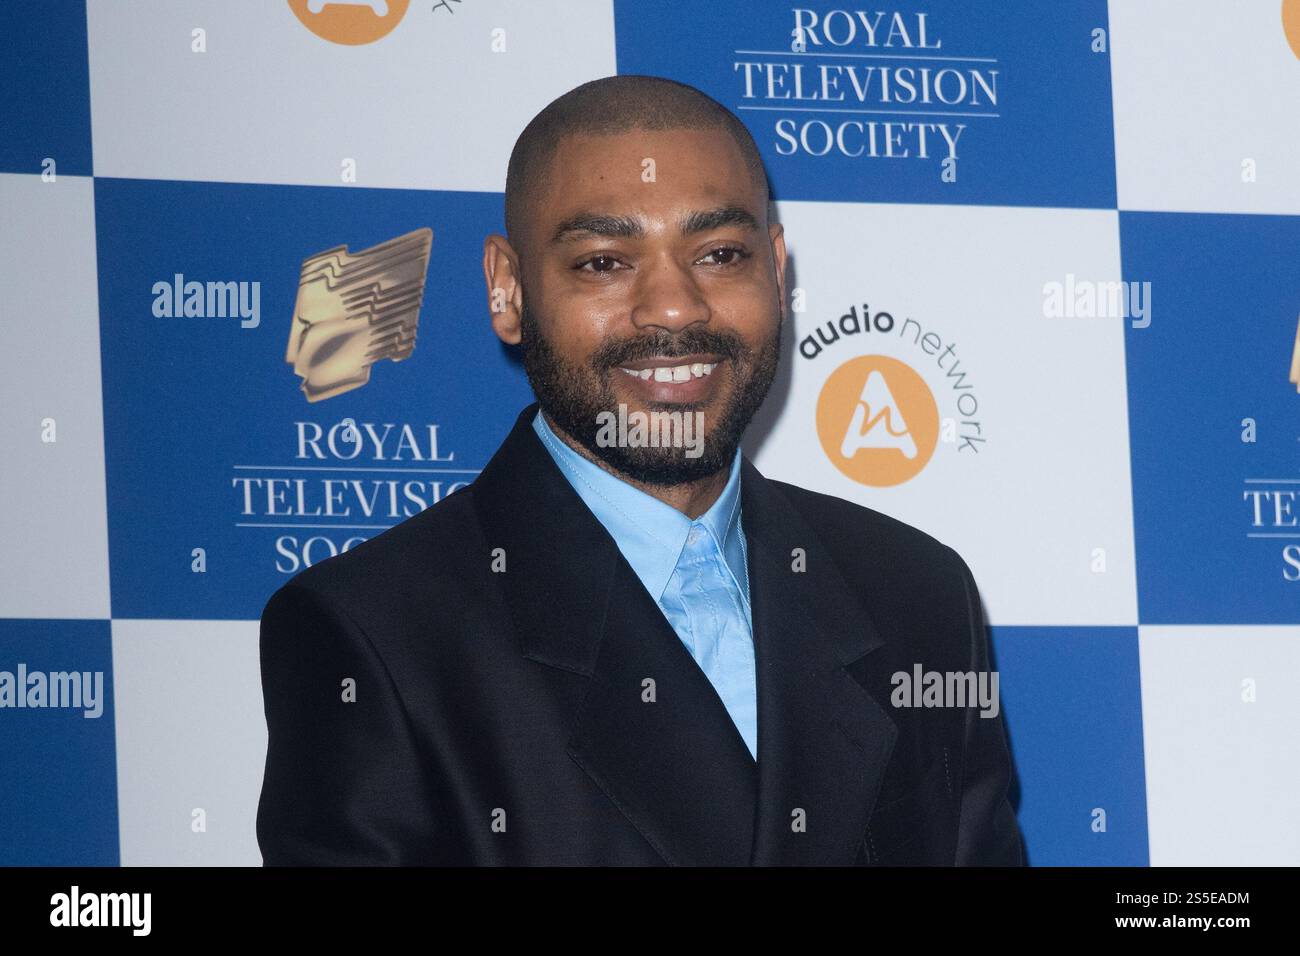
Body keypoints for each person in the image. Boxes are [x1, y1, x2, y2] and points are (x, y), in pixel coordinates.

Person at [256, 74, 1025, 866]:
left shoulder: (917, 593)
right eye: (604, 262)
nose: (674, 307)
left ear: (777, 267)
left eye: (720, 254)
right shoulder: (374, 636)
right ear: (508, 289)